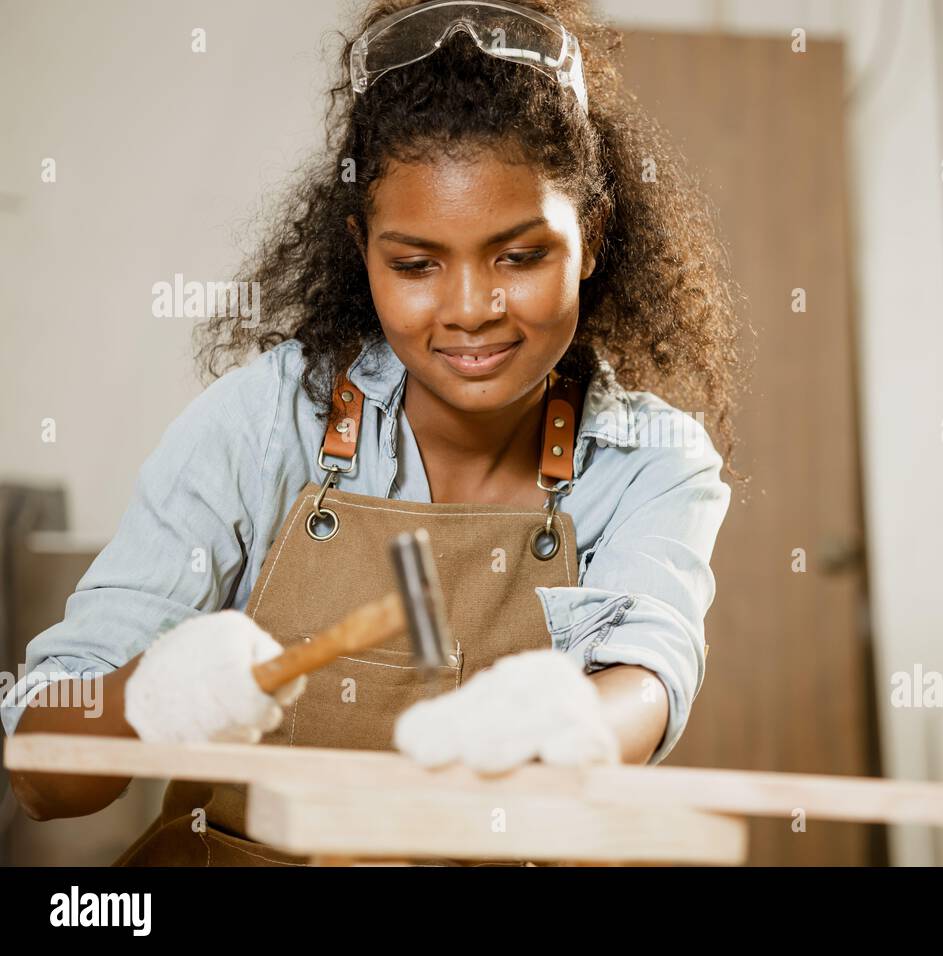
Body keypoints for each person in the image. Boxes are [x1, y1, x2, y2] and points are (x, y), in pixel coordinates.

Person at [2, 0, 743, 866]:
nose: (471, 309)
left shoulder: (651, 460)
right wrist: (142, 701)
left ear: (591, 240)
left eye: (521, 255)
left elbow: (647, 678)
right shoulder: (263, 423)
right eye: (415, 264)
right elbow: (41, 772)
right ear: (363, 252)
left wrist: (579, 720)